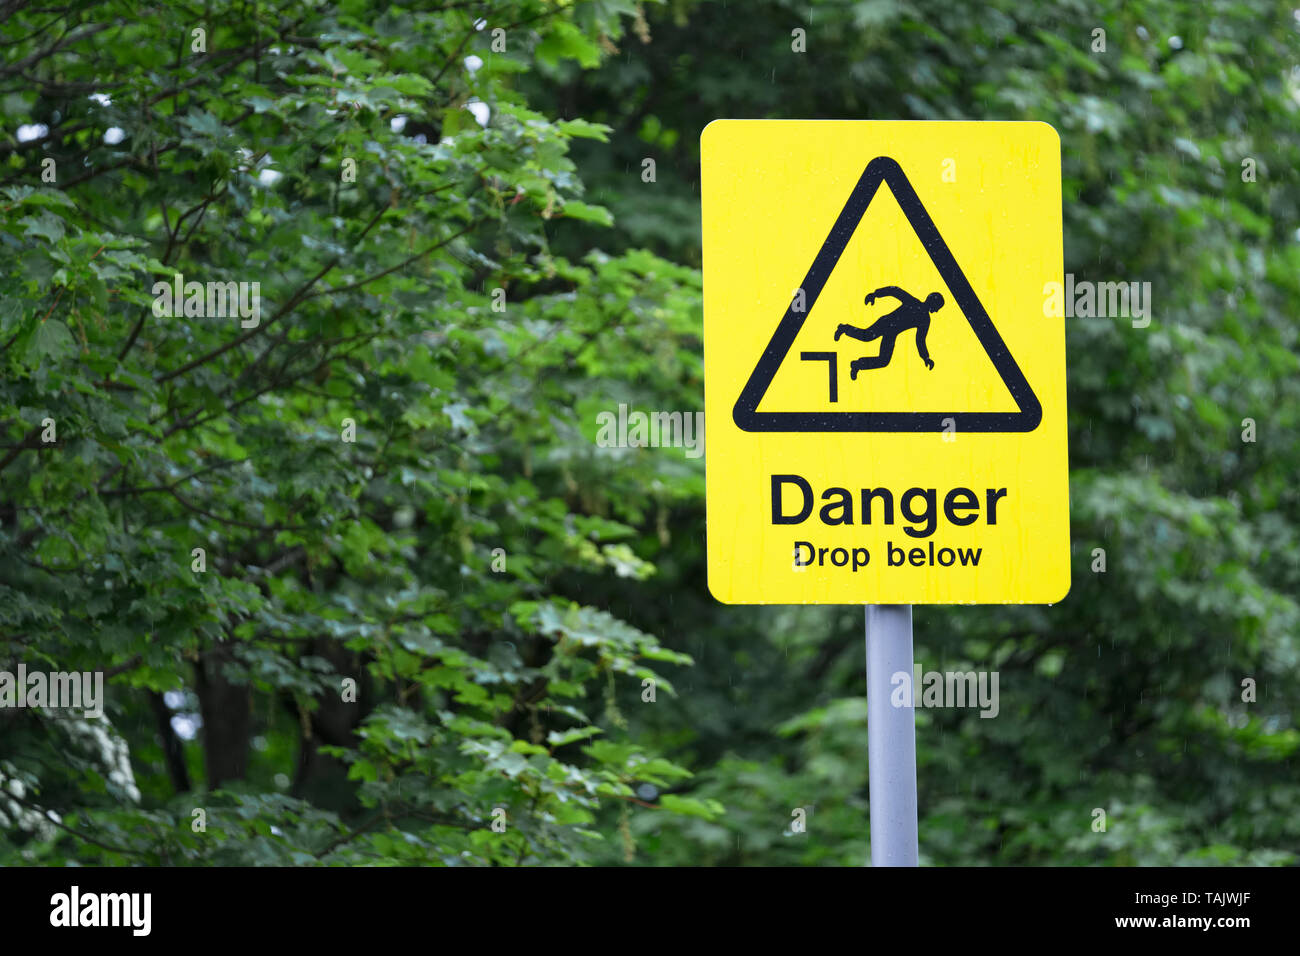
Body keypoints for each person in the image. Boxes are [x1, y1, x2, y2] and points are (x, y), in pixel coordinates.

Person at [835, 286, 943, 379]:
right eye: (937, 307)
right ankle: (844, 328)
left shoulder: (924, 319)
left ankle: (857, 365)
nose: (937, 311)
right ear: (933, 304)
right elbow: (895, 291)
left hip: (892, 333)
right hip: (885, 323)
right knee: (866, 336)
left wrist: (926, 357)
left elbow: (920, 340)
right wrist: (875, 294)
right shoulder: (915, 305)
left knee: (883, 361)